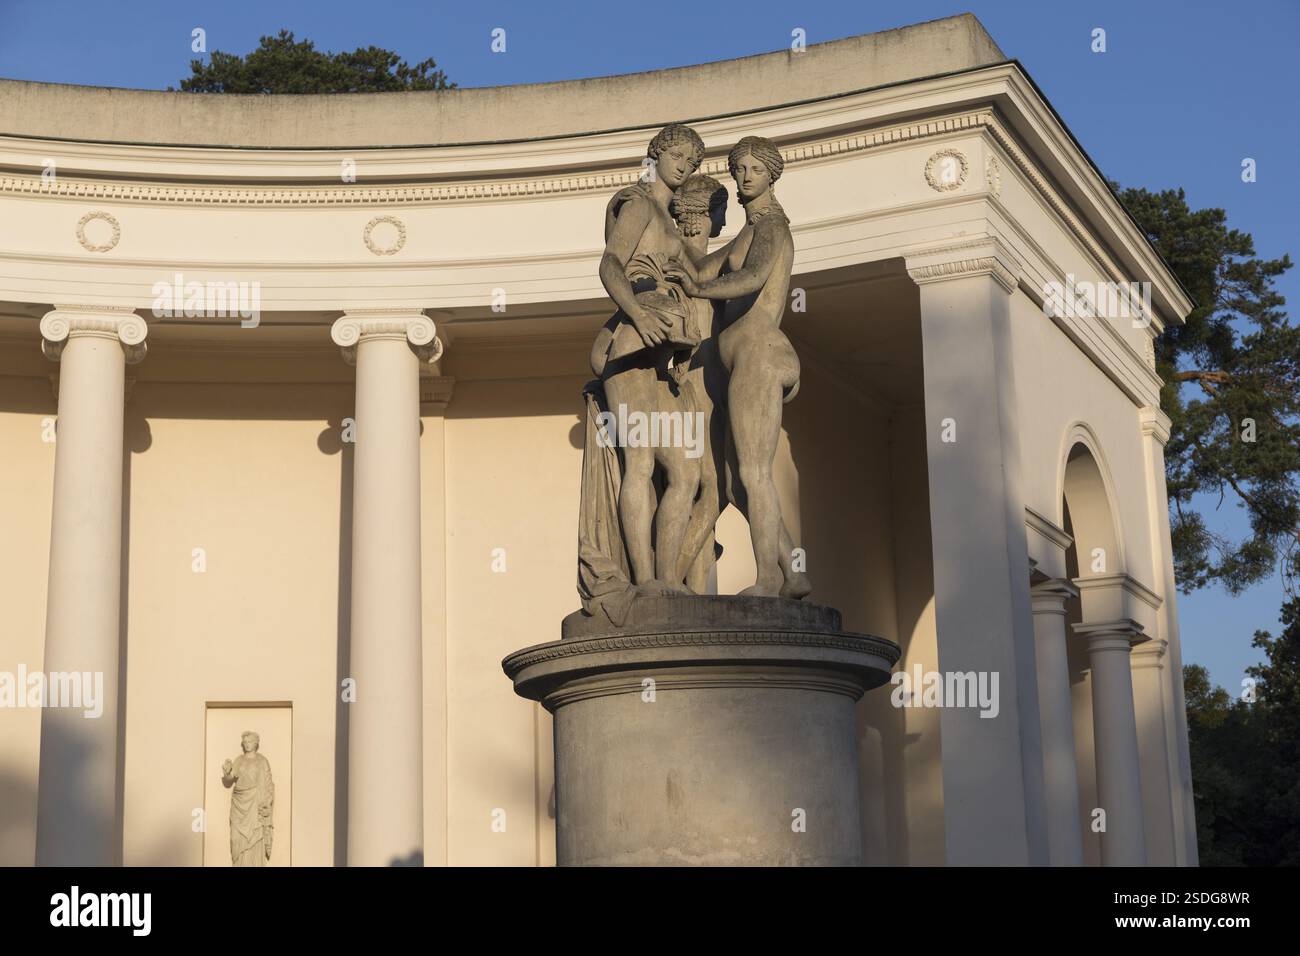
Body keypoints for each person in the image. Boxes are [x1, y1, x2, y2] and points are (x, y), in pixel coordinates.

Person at [666, 136, 811, 598]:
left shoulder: (772, 228)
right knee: (735, 482)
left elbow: (750, 278)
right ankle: (794, 573)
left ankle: (768, 580)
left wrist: (701, 289)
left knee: (753, 471)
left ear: (771, 174)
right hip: (738, 362)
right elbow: (705, 268)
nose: (744, 176)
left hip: (760, 355)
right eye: (739, 169)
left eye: (753, 169)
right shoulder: (747, 232)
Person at [221, 730, 274, 866]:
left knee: (255, 839)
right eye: (245, 742)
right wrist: (227, 772)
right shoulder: (239, 760)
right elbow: (230, 778)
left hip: (255, 805)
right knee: (235, 838)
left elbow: (268, 785)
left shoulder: (262, 761)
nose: (247, 744)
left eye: (250, 741)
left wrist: (266, 804)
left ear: (256, 743)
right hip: (239, 804)